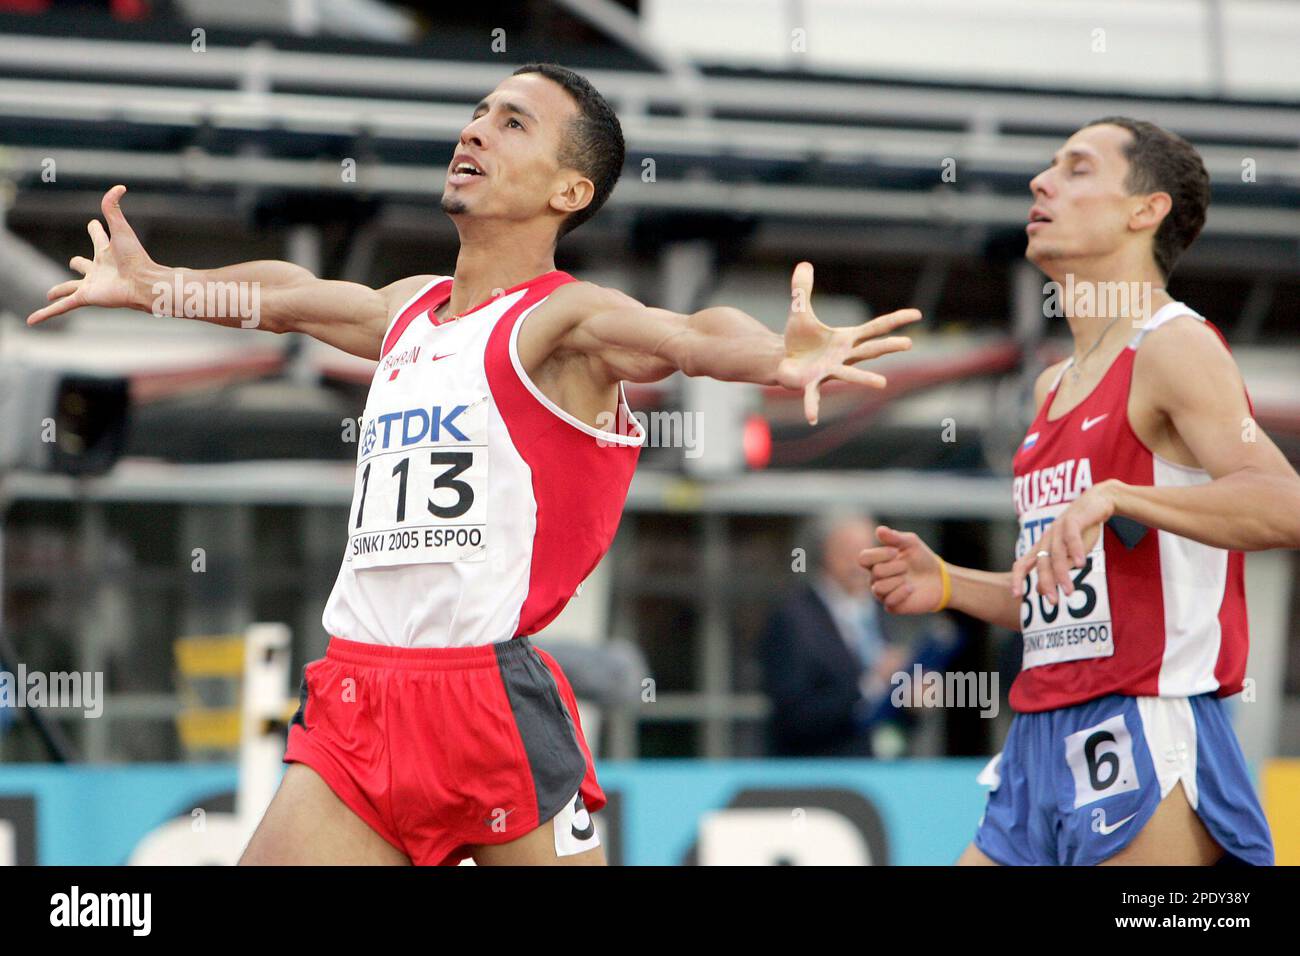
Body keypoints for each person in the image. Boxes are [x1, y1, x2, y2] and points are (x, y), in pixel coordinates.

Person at [30, 62, 920, 865]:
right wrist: (157, 287)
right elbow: (290, 299)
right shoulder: (411, 310)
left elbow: (686, 337)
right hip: (359, 692)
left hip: (485, 698)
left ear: (570, 190)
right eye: (479, 112)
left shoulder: (563, 322)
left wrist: (776, 355)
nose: (476, 130)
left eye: (513, 123)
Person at [860, 117, 1300, 866]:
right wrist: (948, 584)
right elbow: (1066, 599)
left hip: (1143, 720)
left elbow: (1282, 504)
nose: (1042, 181)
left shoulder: (1174, 346)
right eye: (1049, 166)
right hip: (1040, 734)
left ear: (1145, 209)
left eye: (1078, 168)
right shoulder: (1050, 387)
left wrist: (1122, 496)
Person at [761, 514, 908, 757]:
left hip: (883, 774)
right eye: (850, 550)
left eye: (870, 550)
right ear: (824, 554)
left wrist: (908, 700)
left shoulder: (879, 610)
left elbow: (890, 720)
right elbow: (793, 717)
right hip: (820, 777)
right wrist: (871, 683)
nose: (862, 562)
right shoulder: (793, 618)